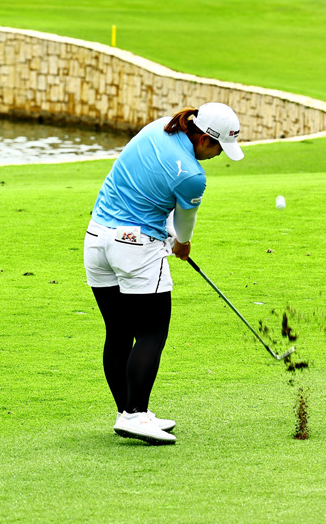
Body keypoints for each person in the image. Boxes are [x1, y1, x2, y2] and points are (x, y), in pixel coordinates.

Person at [83, 103, 244, 445]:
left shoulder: (160, 128)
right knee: (152, 332)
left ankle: (129, 412)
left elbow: (149, 192)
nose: (218, 155)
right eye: (218, 148)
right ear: (204, 139)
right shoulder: (193, 175)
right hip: (136, 248)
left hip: (97, 240)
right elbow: (184, 225)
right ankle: (135, 415)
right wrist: (182, 244)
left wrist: (170, 235)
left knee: (119, 330)